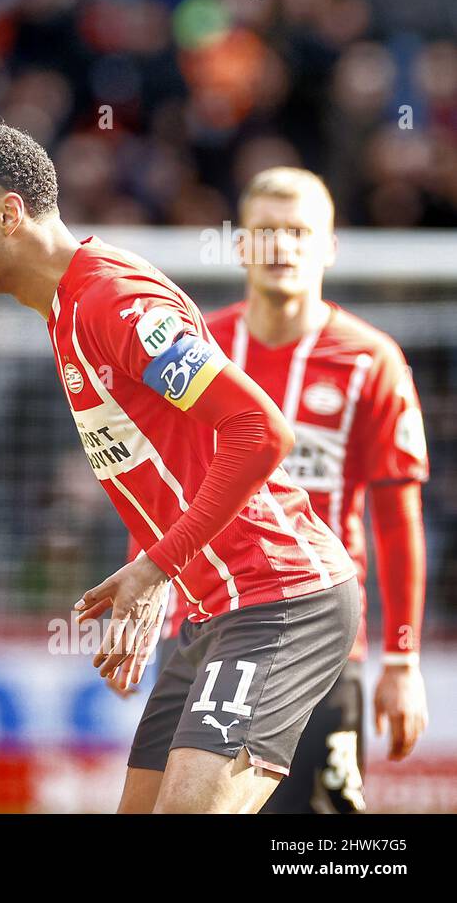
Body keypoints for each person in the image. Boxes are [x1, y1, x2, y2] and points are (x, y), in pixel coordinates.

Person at [0, 124, 358, 813]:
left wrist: (157, 566)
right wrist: (160, 580)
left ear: (9, 213)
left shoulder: (115, 305)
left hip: (280, 596)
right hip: (211, 611)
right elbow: (168, 462)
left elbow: (258, 431)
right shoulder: (67, 313)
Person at [107, 167, 428, 813]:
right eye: (266, 232)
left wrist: (400, 659)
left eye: (299, 233)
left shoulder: (371, 361)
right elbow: (157, 484)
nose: (282, 247)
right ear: (241, 245)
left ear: (329, 246)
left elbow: (396, 518)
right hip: (203, 628)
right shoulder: (197, 347)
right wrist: (142, 598)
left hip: (324, 641)